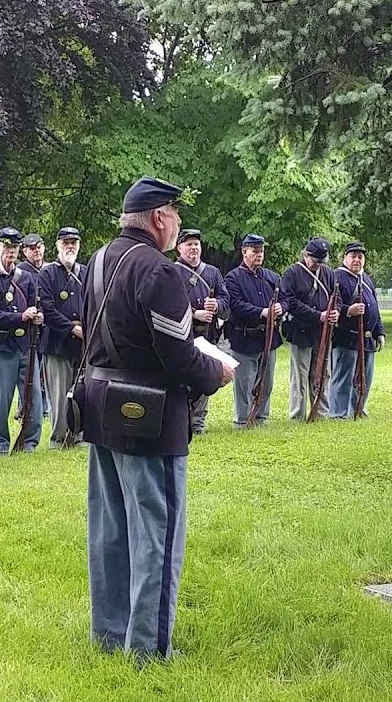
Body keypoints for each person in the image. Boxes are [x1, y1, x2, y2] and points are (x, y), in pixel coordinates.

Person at [78, 176, 233, 663]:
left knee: (110, 530)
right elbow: (180, 357)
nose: (179, 225)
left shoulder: (98, 261)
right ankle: (147, 649)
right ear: (160, 218)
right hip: (148, 413)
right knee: (156, 533)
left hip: (100, 405)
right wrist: (219, 371)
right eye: (177, 216)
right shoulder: (159, 272)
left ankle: (108, 634)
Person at [0, 227, 44, 454]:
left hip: (26, 345)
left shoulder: (26, 277)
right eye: (6, 246)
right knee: (0, 400)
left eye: (14, 247)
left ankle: (30, 442)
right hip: (2, 346)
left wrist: (38, 316)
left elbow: (34, 305)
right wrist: (21, 317)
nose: (11, 251)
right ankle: (0, 444)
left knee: (34, 398)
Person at [174, 228, 229, 435]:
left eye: (196, 244)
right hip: (185, 335)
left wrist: (216, 305)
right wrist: (194, 314)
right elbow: (169, 303)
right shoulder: (173, 271)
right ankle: (183, 419)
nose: (193, 248)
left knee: (205, 376)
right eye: (189, 244)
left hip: (208, 335)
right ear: (180, 248)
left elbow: (226, 299)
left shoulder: (212, 272)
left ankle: (198, 421)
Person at [224, 234, 283, 427]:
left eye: (261, 251)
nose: (259, 254)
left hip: (268, 337)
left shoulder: (271, 277)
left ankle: (261, 418)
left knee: (266, 383)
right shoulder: (233, 278)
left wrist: (282, 307)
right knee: (244, 384)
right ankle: (242, 420)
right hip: (245, 336)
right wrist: (263, 312)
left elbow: (286, 298)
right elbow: (236, 305)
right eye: (255, 251)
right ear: (244, 252)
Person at [280, 238, 338, 420]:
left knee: (323, 373)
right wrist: (317, 315)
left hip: (323, 332)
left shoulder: (328, 274)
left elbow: (338, 296)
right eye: (314, 260)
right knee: (300, 376)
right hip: (300, 330)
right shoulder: (292, 273)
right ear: (305, 255)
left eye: (320, 261)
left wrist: (336, 312)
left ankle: (320, 412)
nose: (317, 265)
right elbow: (291, 302)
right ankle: (297, 414)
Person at [39, 226, 86, 447]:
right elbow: (47, 309)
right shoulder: (47, 273)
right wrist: (72, 328)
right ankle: (58, 439)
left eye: (74, 243)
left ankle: (78, 435)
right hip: (58, 342)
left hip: (83, 344)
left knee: (82, 392)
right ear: (57, 246)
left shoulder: (84, 272)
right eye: (66, 242)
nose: (70, 246)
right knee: (58, 396)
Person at [328, 242, 384, 417]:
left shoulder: (365, 278)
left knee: (365, 377)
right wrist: (348, 311)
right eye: (353, 256)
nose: (357, 260)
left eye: (360, 257)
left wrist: (379, 332)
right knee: (343, 377)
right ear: (345, 257)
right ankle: (339, 412)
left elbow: (374, 306)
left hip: (366, 338)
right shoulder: (337, 277)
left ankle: (358, 408)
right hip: (347, 336)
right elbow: (332, 304)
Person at [18, 232, 49, 417]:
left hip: (47, 325)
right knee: (29, 370)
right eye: (31, 248)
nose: (36, 250)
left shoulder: (50, 269)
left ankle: (43, 407)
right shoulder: (21, 271)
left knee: (44, 370)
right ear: (24, 251)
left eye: (38, 246)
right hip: (28, 327)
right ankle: (25, 407)